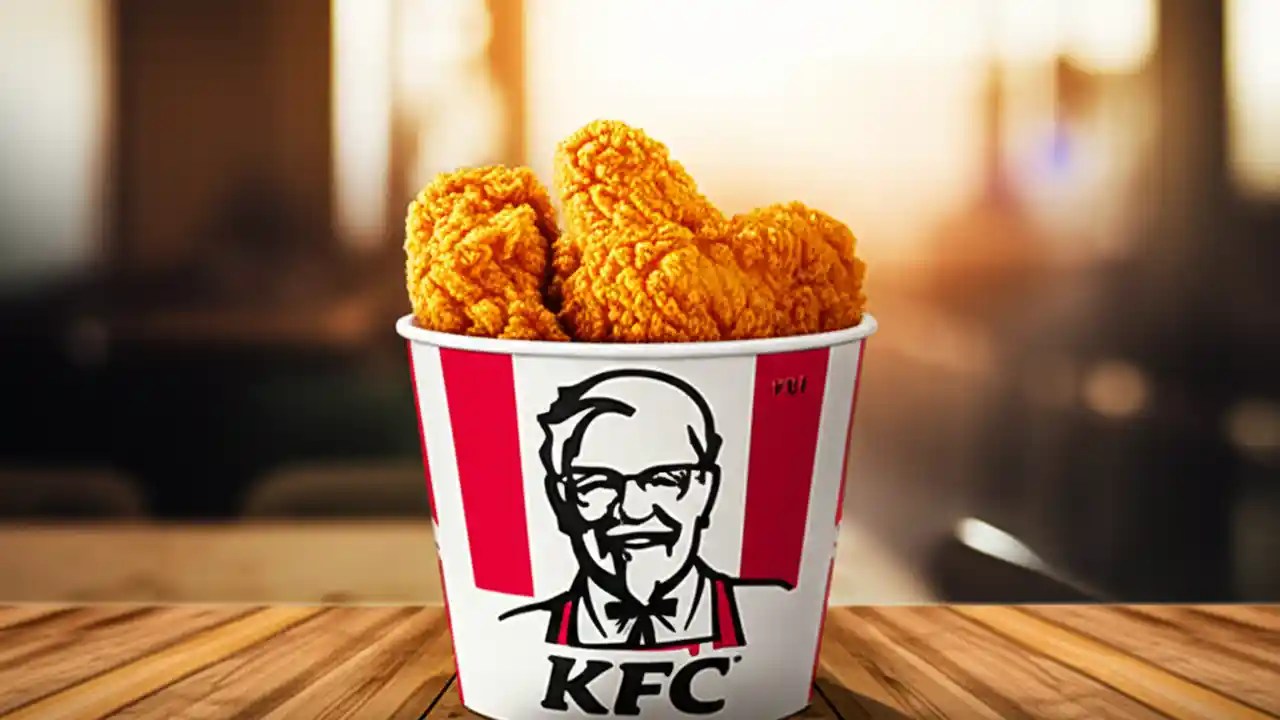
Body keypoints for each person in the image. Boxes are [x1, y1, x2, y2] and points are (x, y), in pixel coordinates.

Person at [500, 369, 790, 649]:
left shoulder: (773, 616)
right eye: (597, 483)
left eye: (664, 479)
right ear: (562, 500)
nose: (634, 510)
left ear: (706, 489)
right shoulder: (516, 635)